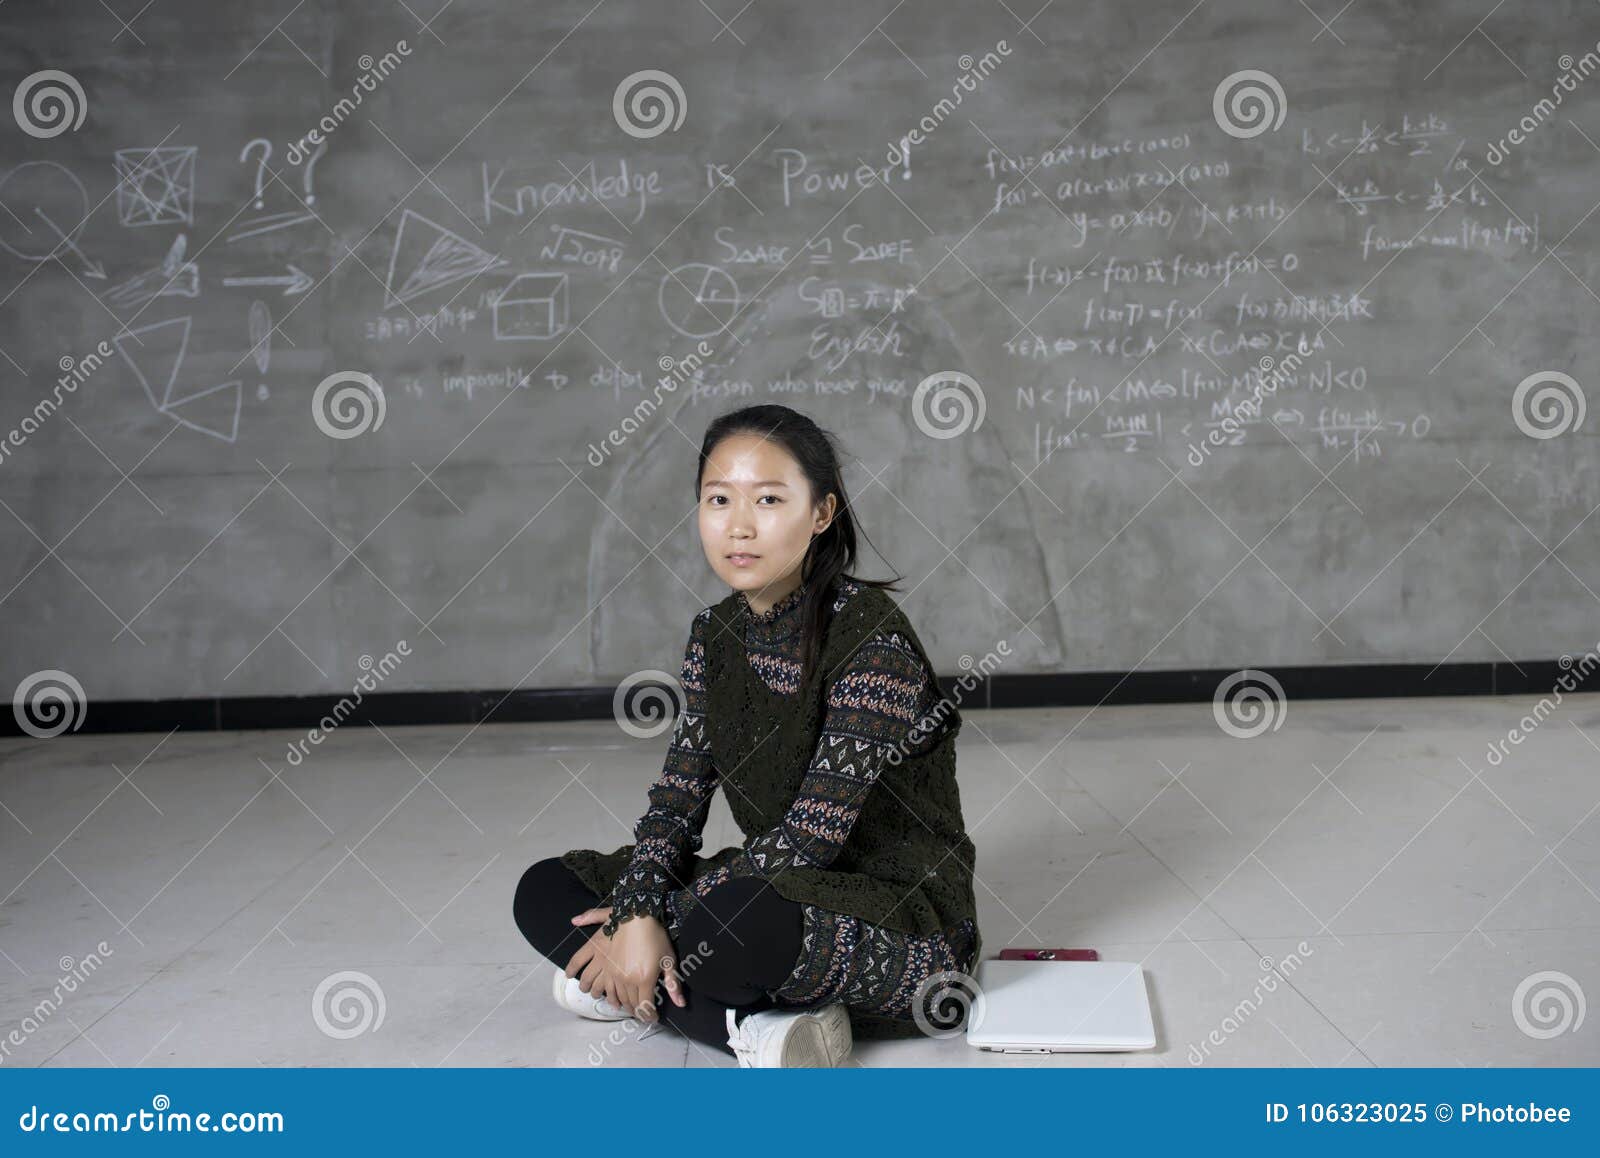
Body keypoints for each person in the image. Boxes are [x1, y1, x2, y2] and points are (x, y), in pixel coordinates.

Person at [513, 403, 981, 1066]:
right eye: (717, 499)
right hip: (773, 886)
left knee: (731, 923)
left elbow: (813, 839)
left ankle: (634, 988)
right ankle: (753, 1025)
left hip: (902, 921)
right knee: (546, 889)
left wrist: (643, 925)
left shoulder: (872, 643)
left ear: (821, 514)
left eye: (768, 499)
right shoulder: (714, 637)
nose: (738, 525)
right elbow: (679, 797)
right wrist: (637, 908)